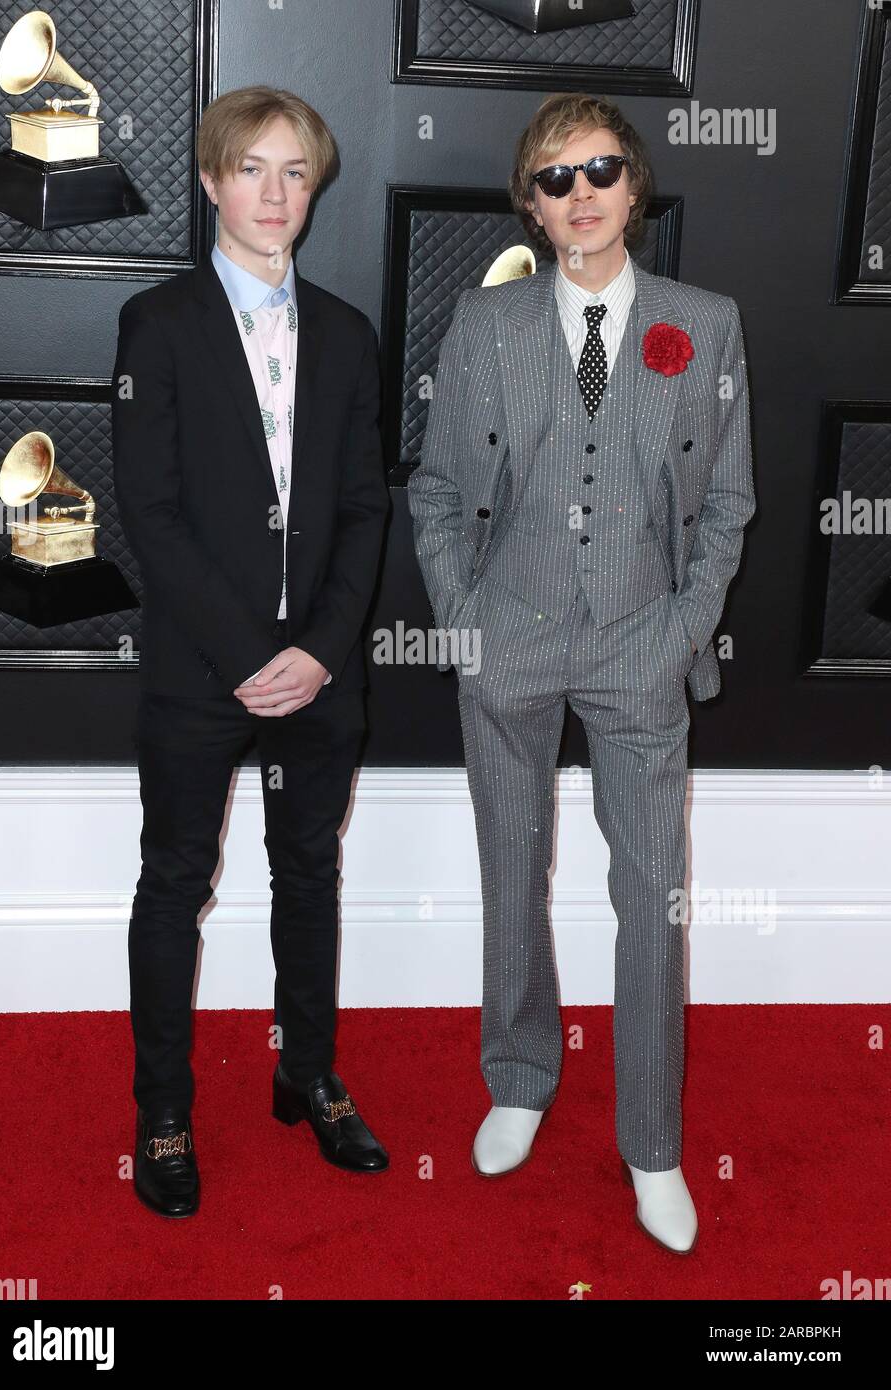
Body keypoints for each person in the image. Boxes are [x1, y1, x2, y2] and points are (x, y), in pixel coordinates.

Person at [408, 92, 755, 1253]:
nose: (581, 192)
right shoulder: (482, 323)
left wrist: (678, 629)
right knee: (512, 870)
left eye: (600, 168)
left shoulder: (702, 325)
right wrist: (463, 621)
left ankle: (652, 1142)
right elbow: (442, 494)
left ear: (632, 185)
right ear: (532, 203)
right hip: (507, 632)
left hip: (639, 641)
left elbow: (729, 508)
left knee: (650, 897)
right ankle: (518, 1077)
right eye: (555, 178)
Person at [111, 86, 390, 1218]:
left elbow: (369, 508)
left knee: (310, 873)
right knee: (175, 881)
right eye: (252, 169)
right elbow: (151, 512)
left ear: (312, 191)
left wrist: (317, 651)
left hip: (319, 676)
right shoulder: (160, 323)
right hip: (200, 674)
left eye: (295, 173)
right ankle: (164, 1109)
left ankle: (307, 1074)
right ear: (213, 181)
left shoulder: (348, 333)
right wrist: (247, 653)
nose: (274, 193)